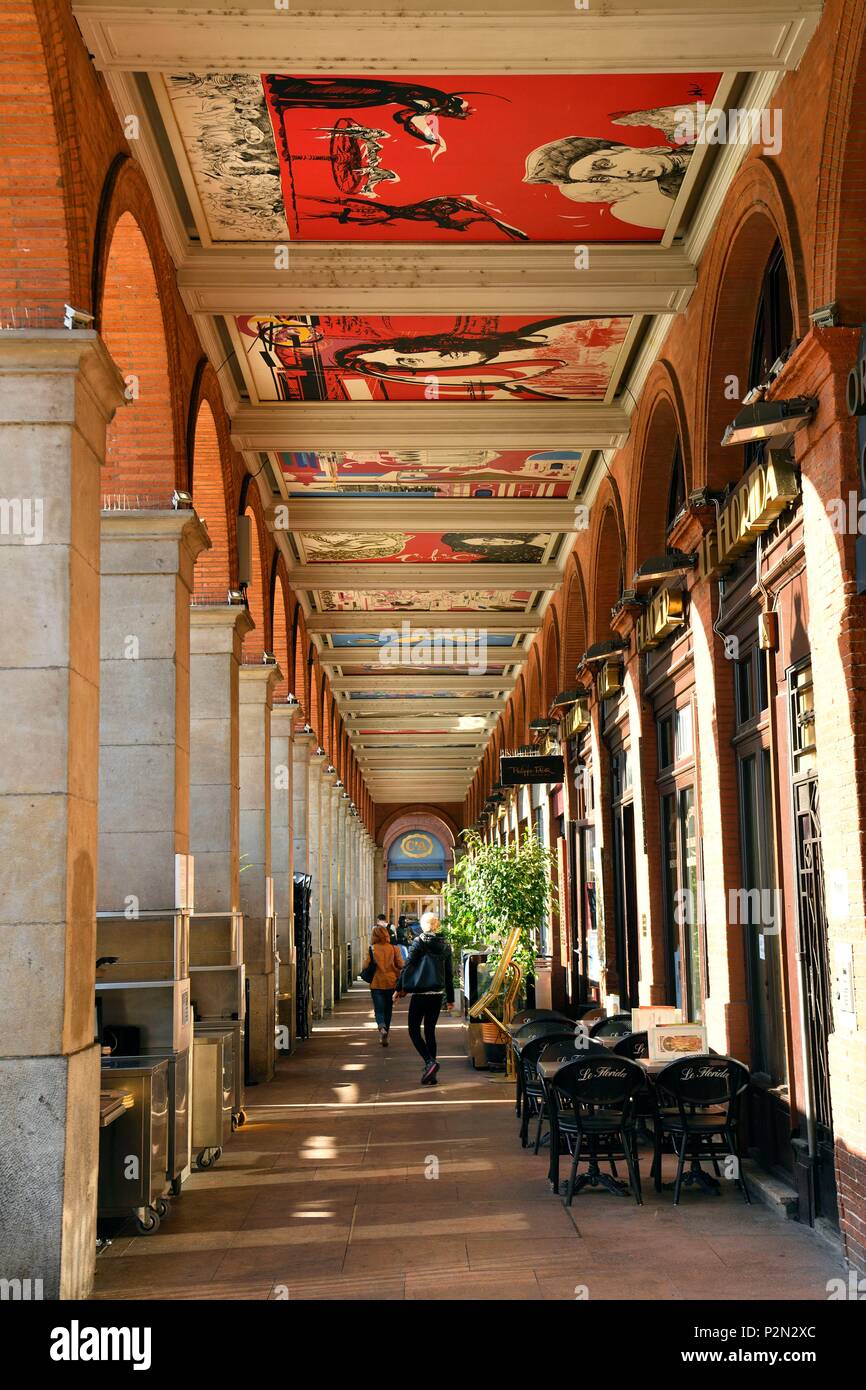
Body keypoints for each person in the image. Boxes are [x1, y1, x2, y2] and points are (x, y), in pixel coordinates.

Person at [395, 911, 455, 1085]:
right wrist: (450, 998)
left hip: (420, 994)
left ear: (423, 925)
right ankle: (432, 1073)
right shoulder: (445, 945)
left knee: (413, 1030)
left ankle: (430, 1062)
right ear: (436, 925)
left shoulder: (418, 942)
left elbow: (408, 966)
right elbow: (449, 974)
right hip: (437, 995)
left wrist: (398, 988)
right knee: (430, 1031)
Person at [367, 924, 405, 1046]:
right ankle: (386, 1034)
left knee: (379, 1010)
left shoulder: (372, 949)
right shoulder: (394, 949)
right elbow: (401, 964)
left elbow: (365, 966)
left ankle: (381, 1027)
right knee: (388, 1010)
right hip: (391, 982)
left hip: (376, 983)